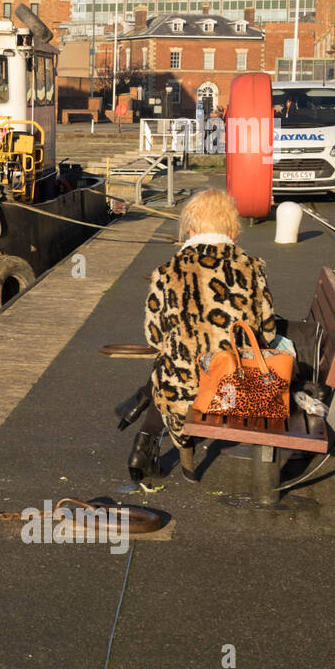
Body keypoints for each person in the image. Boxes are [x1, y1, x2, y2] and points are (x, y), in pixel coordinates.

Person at [119, 188, 278, 482]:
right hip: (238, 386)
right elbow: (267, 332)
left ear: (190, 230)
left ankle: (150, 429)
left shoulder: (167, 271)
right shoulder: (252, 267)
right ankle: (144, 416)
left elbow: (154, 337)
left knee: (169, 360)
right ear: (233, 231)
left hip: (184, 392)